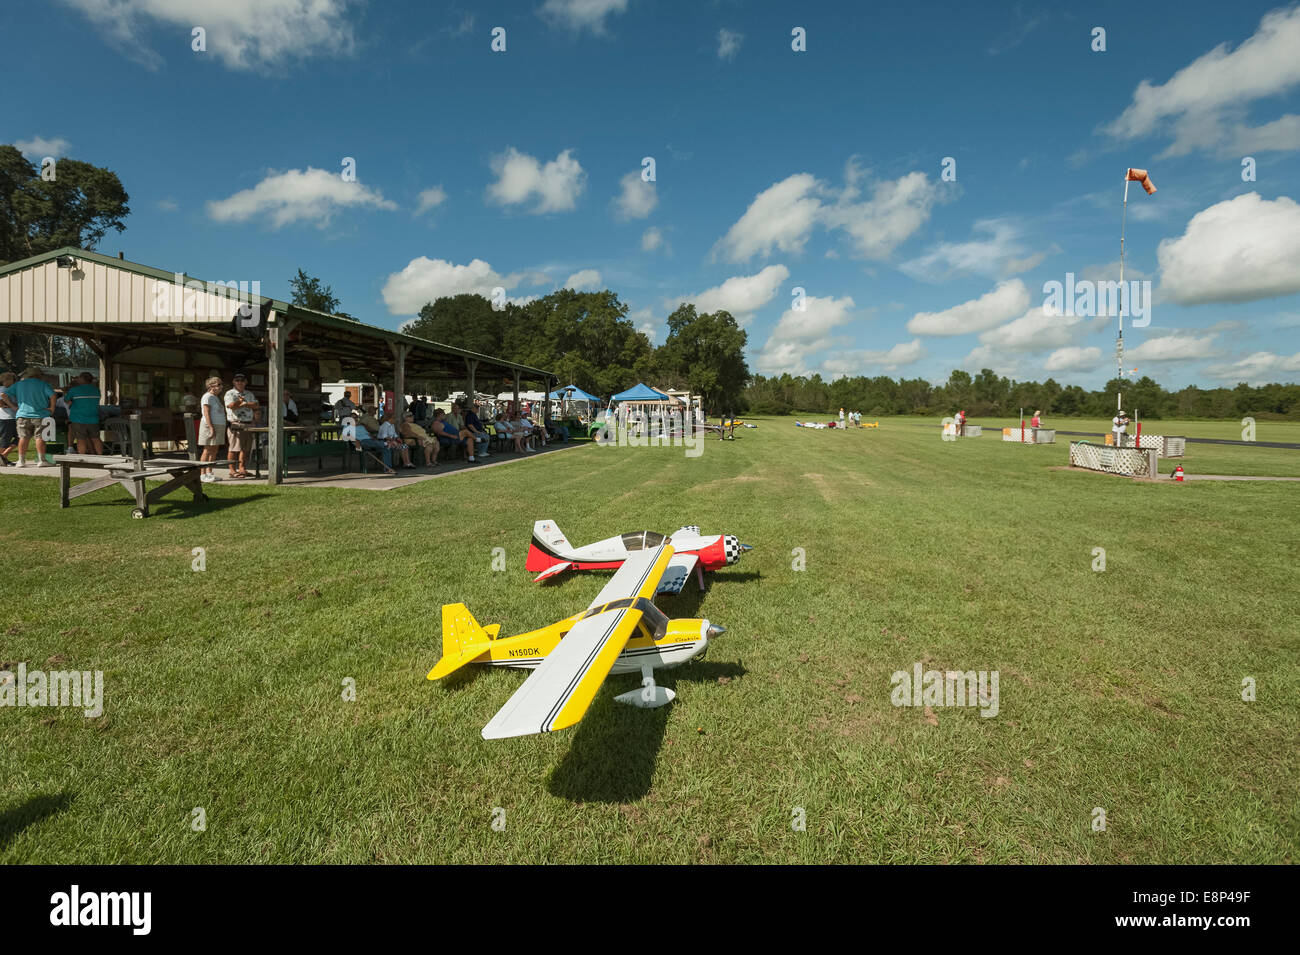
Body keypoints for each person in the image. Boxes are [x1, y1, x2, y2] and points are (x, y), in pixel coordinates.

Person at [10, 366, 55, 467]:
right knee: (40, 437)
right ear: (39, 375)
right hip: (40, 414)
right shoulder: (43, 384)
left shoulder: (19, 384)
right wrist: (52, 408)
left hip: (22, 414)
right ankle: (42, 460)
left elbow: (3, 394)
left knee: (23, 437)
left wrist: (12, 406)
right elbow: (53, 395)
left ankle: (21, 461)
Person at [224, 373, 258, 479]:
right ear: (233, 382)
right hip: (236, 423)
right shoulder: (230, 393)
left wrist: (245, 404)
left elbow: (256, 405)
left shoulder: (249, 393)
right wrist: (239, 402)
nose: (240, 382)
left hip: (248, 423)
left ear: (246, 382)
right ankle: (232, 471)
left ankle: (242, 469)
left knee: (246, 449)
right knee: (234, 448)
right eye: (237, 380)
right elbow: (231, 406)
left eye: (242, 380)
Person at [64, 372, 104, 454]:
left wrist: (72, 402)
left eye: (79, 377)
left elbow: (66, 400)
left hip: (78, 419)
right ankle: (100, 456)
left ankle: (82, 457)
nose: (78, 379)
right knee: (96, 439)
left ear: (82, 379)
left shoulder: (74, 390)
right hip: (94, 419)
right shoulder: (96, 390)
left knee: (80, 439)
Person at [197, 376, 226, 482]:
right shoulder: (207, 397)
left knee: (214, 450)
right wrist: (211, 428)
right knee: (207, 449)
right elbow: (206, 413)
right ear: (211, 386)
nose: (221, 387)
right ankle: (202, 474)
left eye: (221, 384)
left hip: (219, 425)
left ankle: (209, 473)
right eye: (219, 385)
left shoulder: (215, 397)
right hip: (210, 425)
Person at [0, 371, 20, 465]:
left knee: (20, 437)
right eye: (4, 379)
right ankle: (2, 458)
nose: (6, 381)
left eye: (9, 379)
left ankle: (3, 457)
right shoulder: (2, 389)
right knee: (6, 440)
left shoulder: (15, 389)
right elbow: (1, 403)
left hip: (15, 417)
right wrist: (12, 405)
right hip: (6, 418)